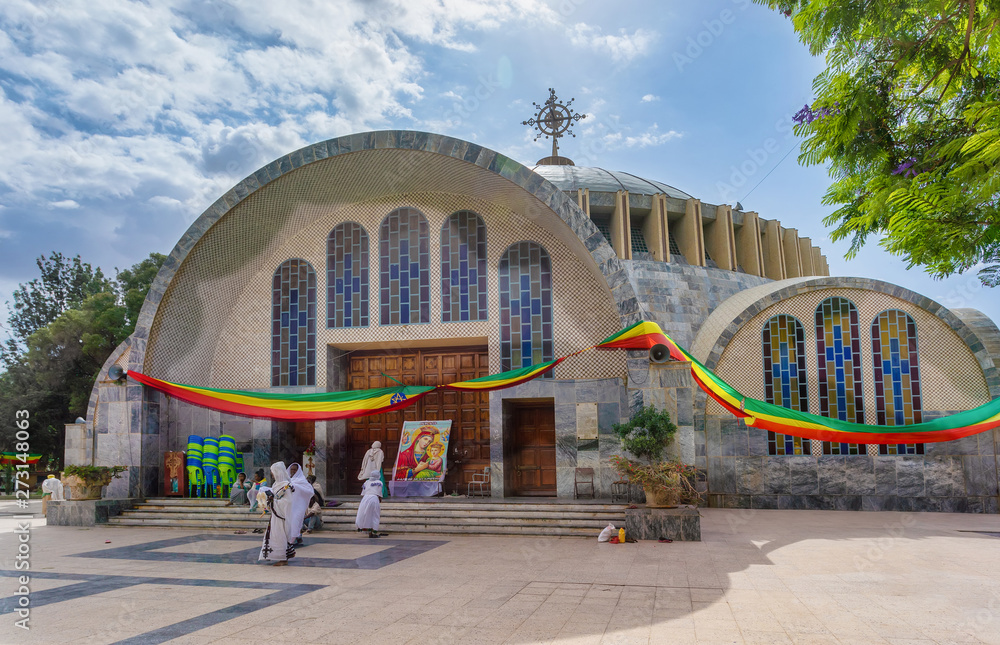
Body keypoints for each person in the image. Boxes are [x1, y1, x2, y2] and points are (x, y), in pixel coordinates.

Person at [258, 462, 296, 566]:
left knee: (280, 536)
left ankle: (283, 558)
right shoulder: (276, 485)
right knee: (273, 536)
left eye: (273, 472)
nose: (272, 474)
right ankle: (275, 555)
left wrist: (274, 501)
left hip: (281, 517)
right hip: (275, 516)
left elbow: (288, 502)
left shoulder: (286, 486)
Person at [286, 463, 314, 547]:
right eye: (292, 469)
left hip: (299, 505)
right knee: (289, 522)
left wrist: (296, 487)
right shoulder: (287, 480)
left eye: (295, 470)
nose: (293, 471)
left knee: (296, 521)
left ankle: (292, 540)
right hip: (289, 505)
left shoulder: (302, 481)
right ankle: (294, 537)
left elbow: (310, 491)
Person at [355, 470, 383, 538]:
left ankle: (370, 532)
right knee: (374, 516)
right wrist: (379, 500)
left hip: (365, 499)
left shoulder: (366, 482)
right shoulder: (379, 483)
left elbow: (363, 493)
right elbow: (379, 493)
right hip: (374, 498)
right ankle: (373, 532)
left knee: (366, 515)